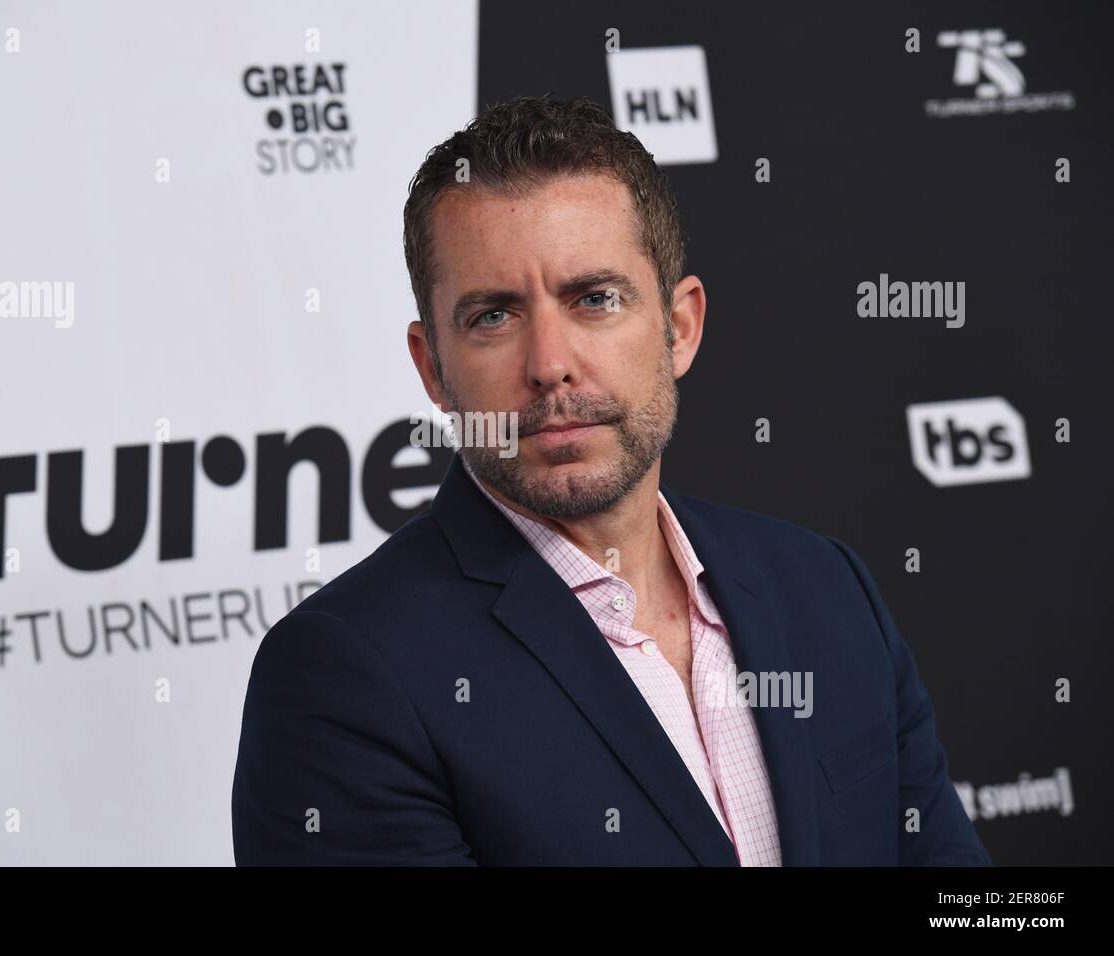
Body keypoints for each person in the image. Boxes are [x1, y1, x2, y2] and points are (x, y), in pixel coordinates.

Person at [231, 94, 991, 866]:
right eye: (493, 316)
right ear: (432, 367)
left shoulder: (826, 588)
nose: (549, 363)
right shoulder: (344, 680)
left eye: (595, 299)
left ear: (680, 326)